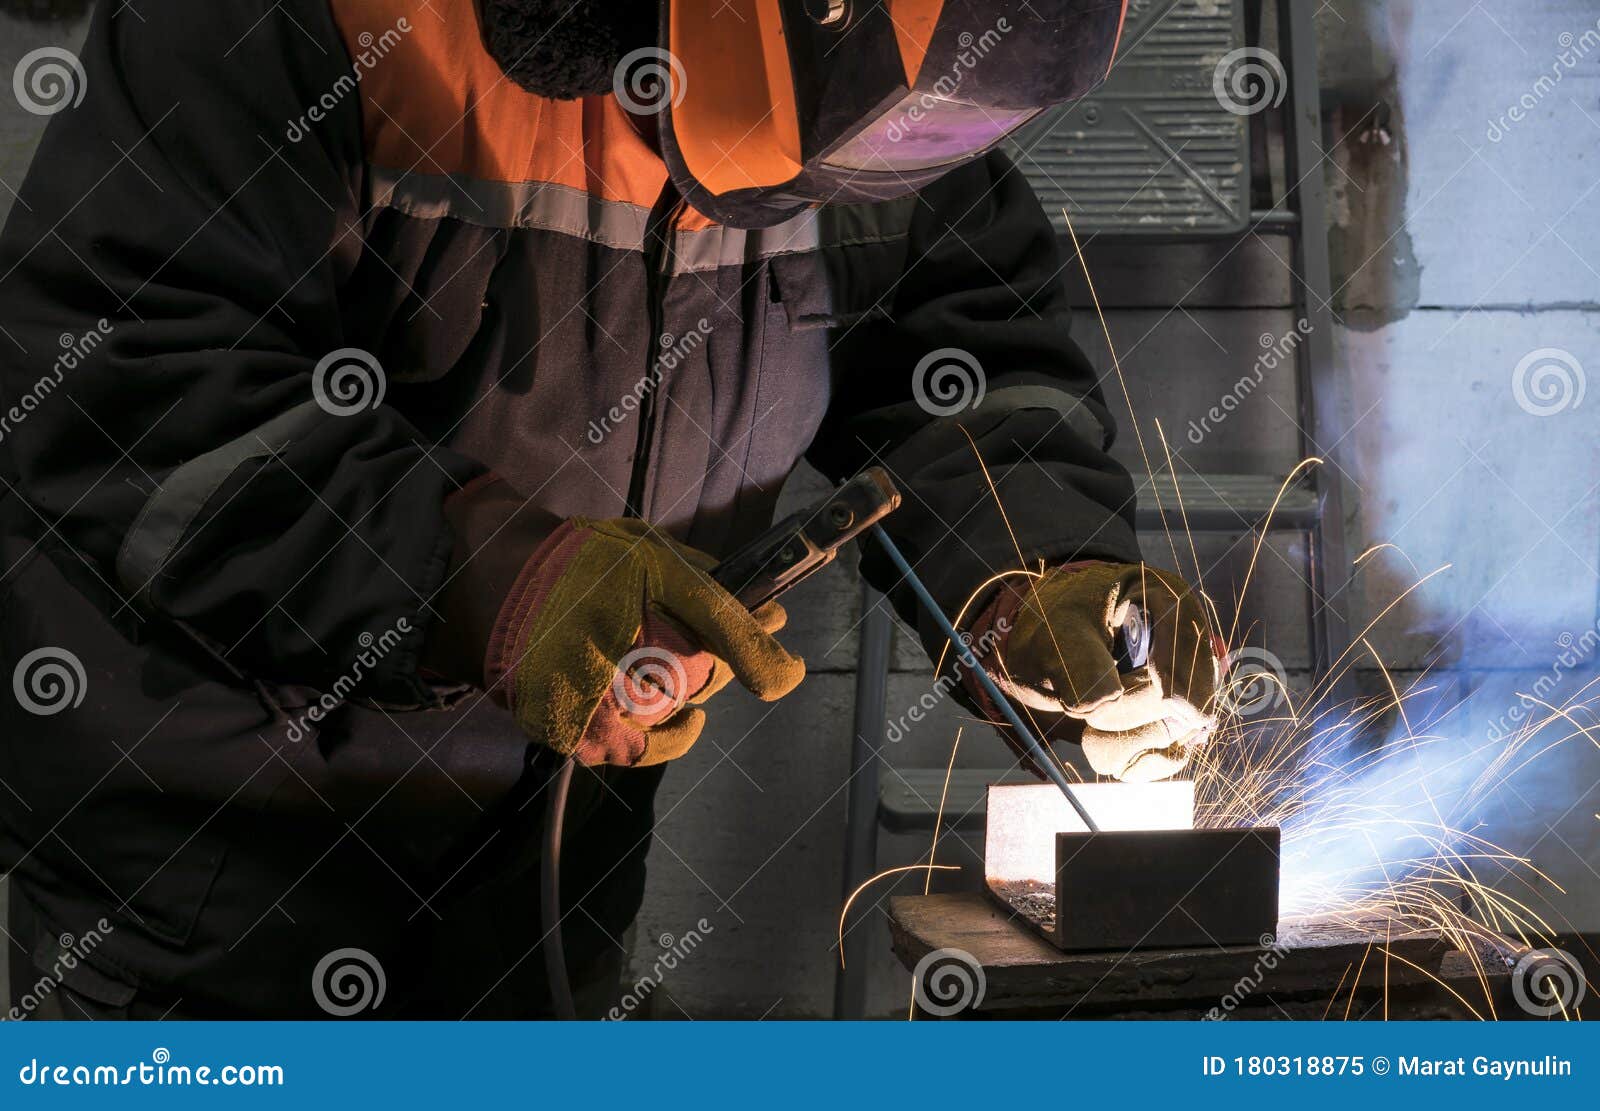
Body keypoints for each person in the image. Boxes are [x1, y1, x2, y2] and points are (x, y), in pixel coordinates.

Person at [0, 0, 1219, 1018]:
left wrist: (1035, 573)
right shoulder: (315, 23)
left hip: (556, 851)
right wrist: (487, 578)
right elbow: (127, 393)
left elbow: (954, 351)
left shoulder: (881, 82)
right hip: (204, 868)